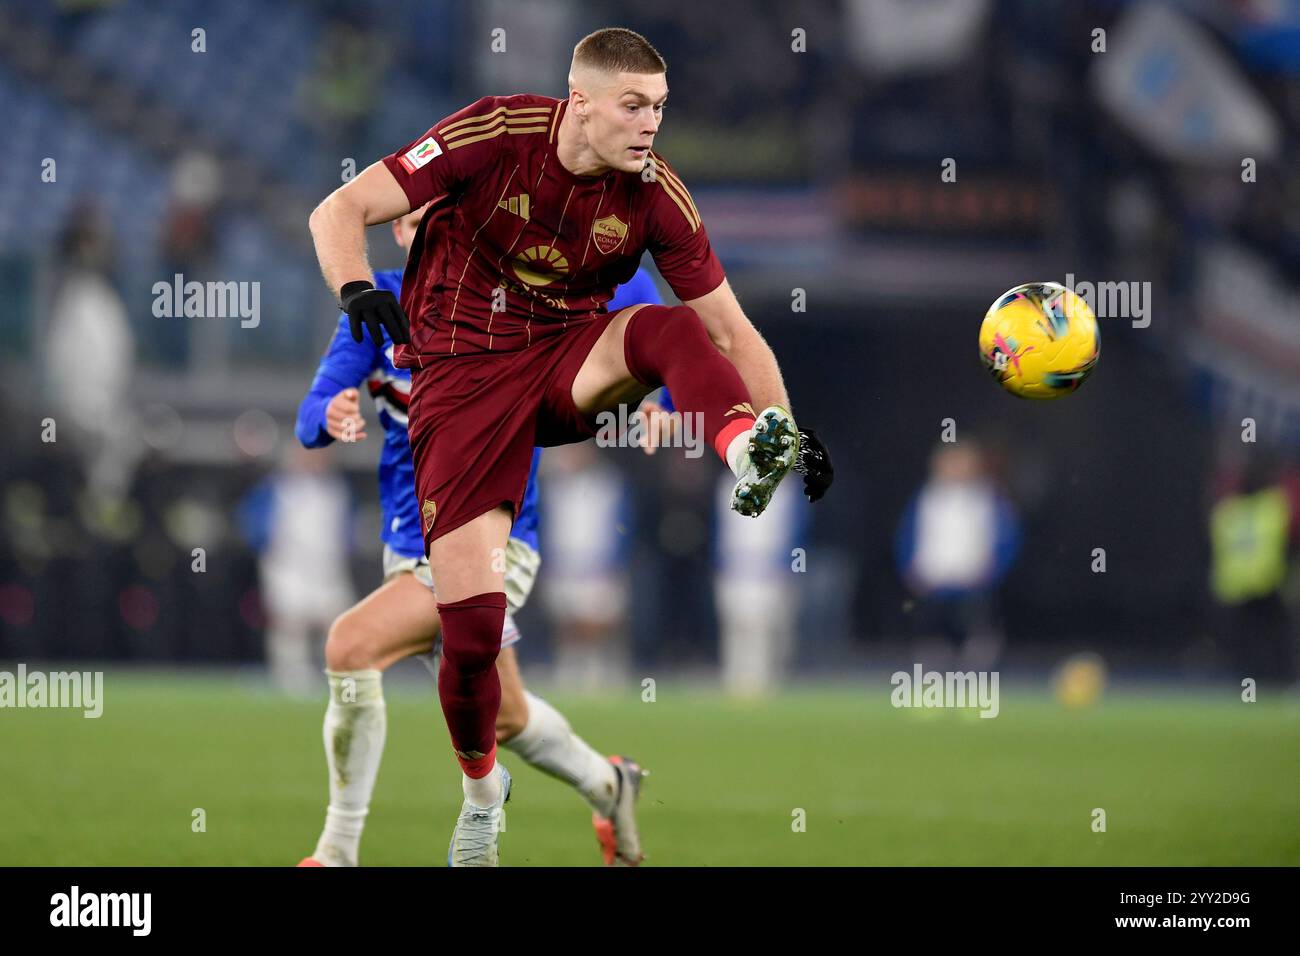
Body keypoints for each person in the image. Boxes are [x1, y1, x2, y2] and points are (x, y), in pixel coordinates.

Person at [308, 27, 834, 866]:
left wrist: (786, 428)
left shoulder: (657, 194)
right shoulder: (495, 133)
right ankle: (484, 798)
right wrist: (357, 288)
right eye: (633, 106)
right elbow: (339, 210)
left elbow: (733, 332)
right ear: (578, 101)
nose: (650, 125)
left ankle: (743, 448)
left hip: (563, 364)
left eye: (659, 108)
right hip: (462, 389)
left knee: (668, 327)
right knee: (473, 637)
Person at [295, 205, 663, 866]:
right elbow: (307, 418)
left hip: (498, 539)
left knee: (349, 647)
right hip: (412, 543)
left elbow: (628, 287)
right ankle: (612, 786)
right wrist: (330, 410)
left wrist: (659, 394)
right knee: (507, 718)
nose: (423, 231)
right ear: (398, 234)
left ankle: (337, 852)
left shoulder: (512, 296)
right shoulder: (377, 310)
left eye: (438, 218)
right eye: (407, 222)